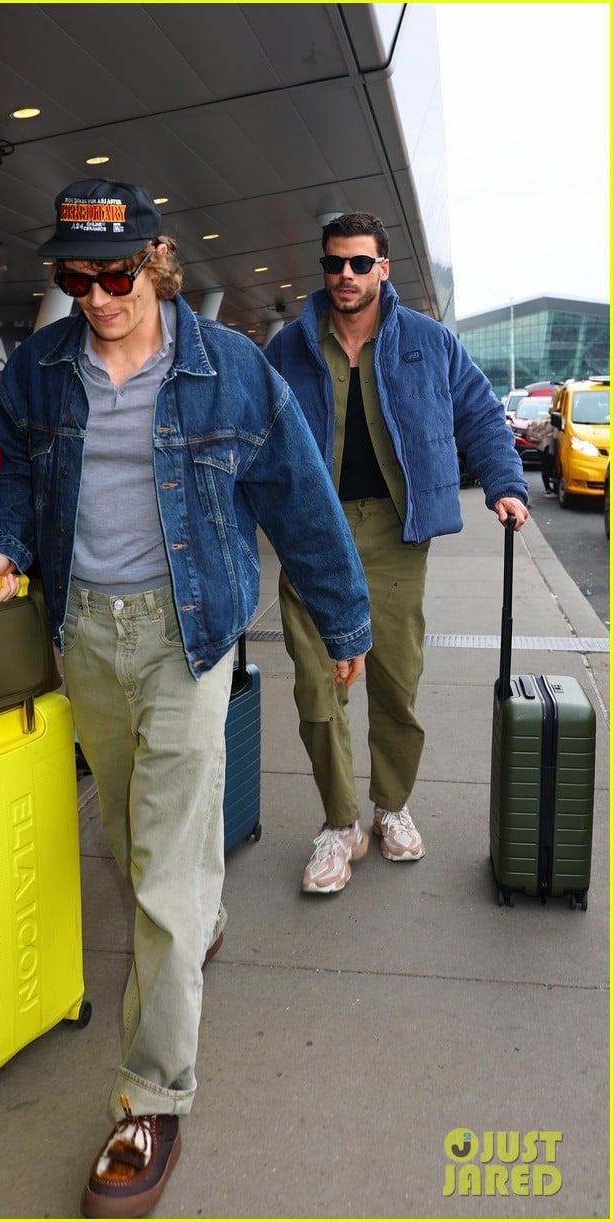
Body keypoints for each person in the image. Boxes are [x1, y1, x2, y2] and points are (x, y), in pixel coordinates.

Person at [0, 178, 372, 1218]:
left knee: (161, 875)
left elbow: (299, 501)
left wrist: (344, 622)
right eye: (73, 277)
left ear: (153, 261)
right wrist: (5, 546)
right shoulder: (41, 370)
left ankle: (151, 1100)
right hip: (83, 637)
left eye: (112, 275)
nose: (94, 297)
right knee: (143, 847)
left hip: (187, 635)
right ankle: (201, 909)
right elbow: (13, 472)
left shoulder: (228, 369)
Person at [264, 210, 529, 895]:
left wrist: (503, 484)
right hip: (310, 532)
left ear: (384, 268)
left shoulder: (427, 342)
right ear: (321, 267)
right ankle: (340, 822)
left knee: (393, 677)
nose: (344, 276)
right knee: (316, 686)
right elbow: (251, 431)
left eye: (358, 263)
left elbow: (477, 413)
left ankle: (390, 805)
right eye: (333, 263)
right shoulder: (288, 346)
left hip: (393, 530)